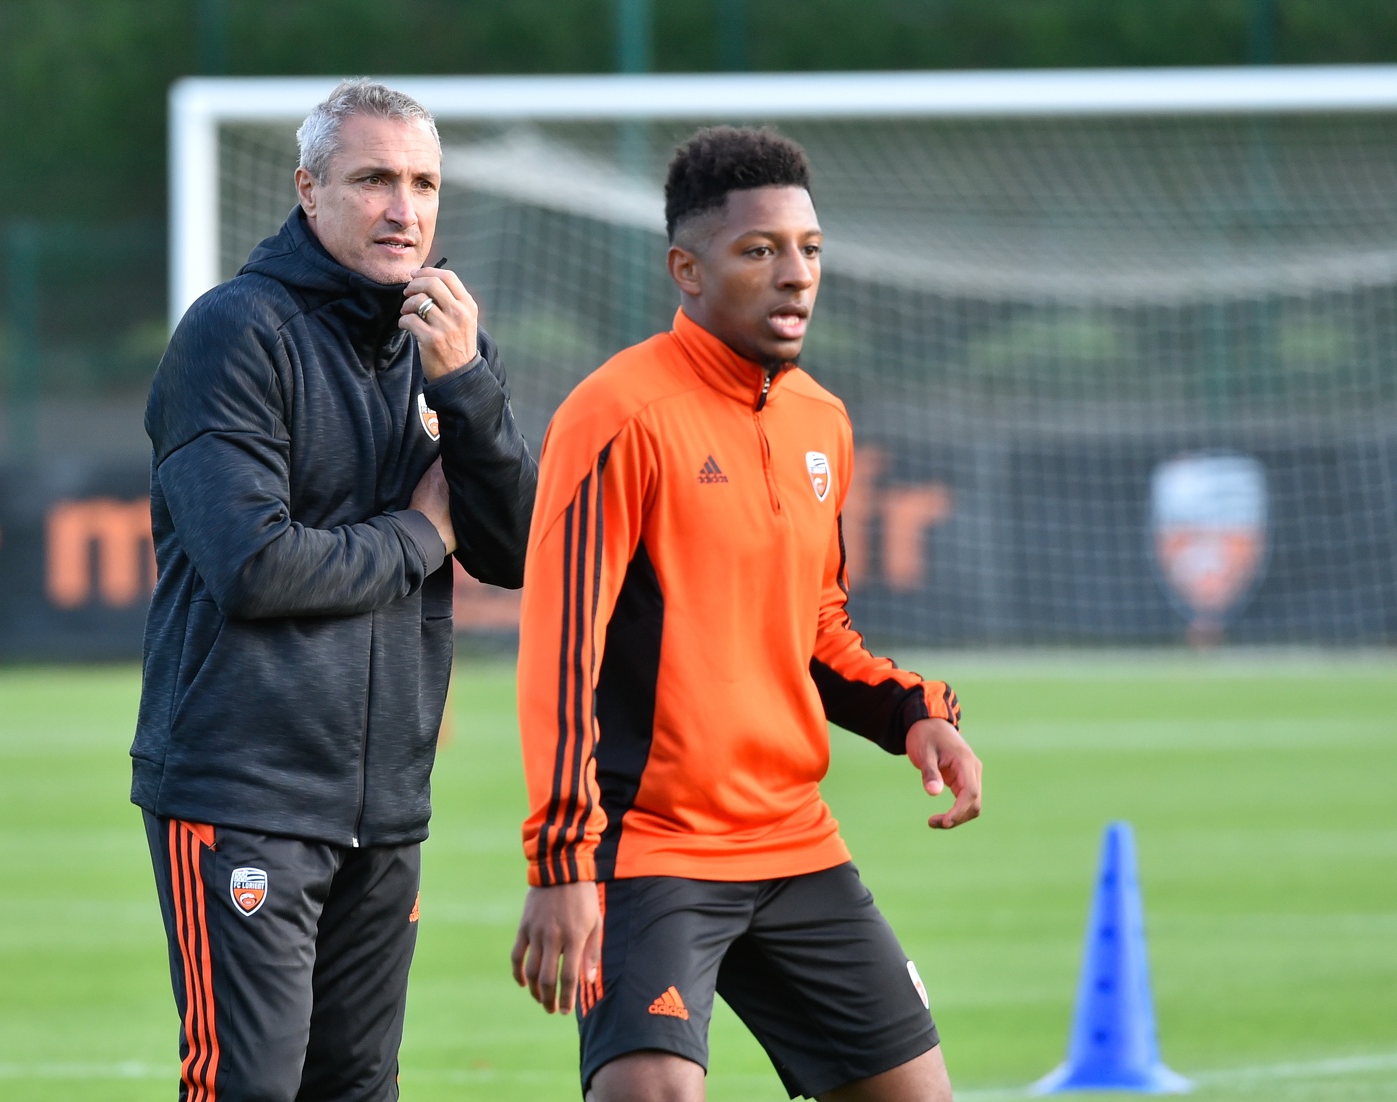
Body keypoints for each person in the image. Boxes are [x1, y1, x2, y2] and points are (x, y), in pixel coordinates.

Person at [510, 126, 982, 1102]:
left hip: (794, 838)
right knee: (653, 1093)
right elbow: (560, 650)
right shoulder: (618, 414)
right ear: (687, 270)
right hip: (653, 845)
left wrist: (913, 713)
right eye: (759, 250)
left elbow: (816, 630)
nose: (795, 274)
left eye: (809, 249)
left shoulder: (821, 420)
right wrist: (561, 860)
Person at [133, 78, 536, 1101]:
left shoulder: (446, 341)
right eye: (373, 181)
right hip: (245, 791)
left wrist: (467, 388)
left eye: (424, 184)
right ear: (309, 190)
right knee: (250, 1087)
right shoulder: (235, 332)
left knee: (359, 1086)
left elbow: (516, 552)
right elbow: (254, 566)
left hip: (386, 802)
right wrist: (418, 534)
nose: (404, 208)